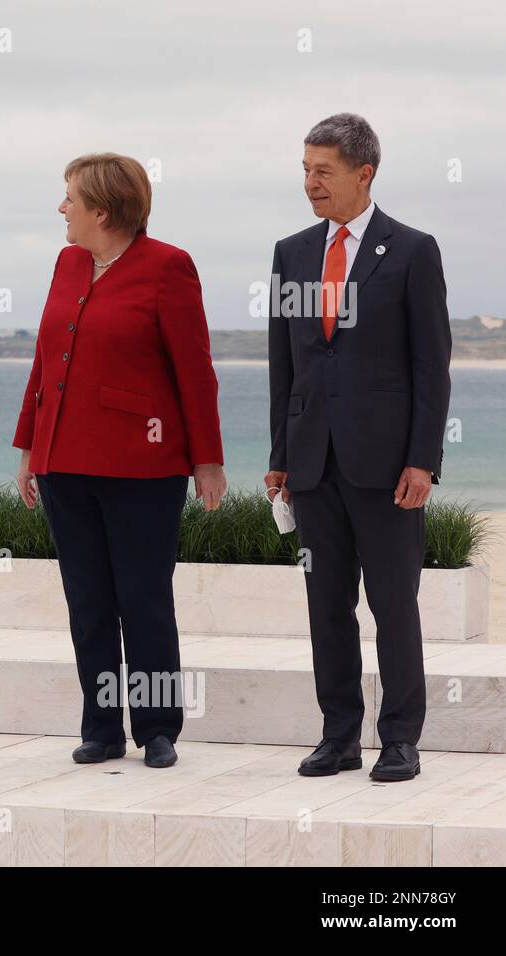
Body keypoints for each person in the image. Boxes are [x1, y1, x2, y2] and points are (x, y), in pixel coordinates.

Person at [14, 153, 226, 769]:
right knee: (88, 601)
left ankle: (157, 729)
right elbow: (44, 360)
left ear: (102, 210)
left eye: (70, 200)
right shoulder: (67, 261)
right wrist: (29, 447)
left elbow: (195, 370)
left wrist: (205, 460)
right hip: (63, 462)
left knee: (144, 599)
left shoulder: (169, 267)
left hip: (144, 466)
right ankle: (101, 727)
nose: (62, 209)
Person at [266, 113, 451, 782]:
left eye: (324, 171)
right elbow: (284, 363)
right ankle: (339, 735)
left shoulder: (412, 250)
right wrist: (280, 456)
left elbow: (432, 367)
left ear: (363, 173)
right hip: (313, 465)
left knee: (394, 605)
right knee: (326, 605)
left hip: (388, 467)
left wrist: (424, 460)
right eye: (305, 170)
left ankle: (400, 738)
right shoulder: (291, 252)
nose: (310, 183)